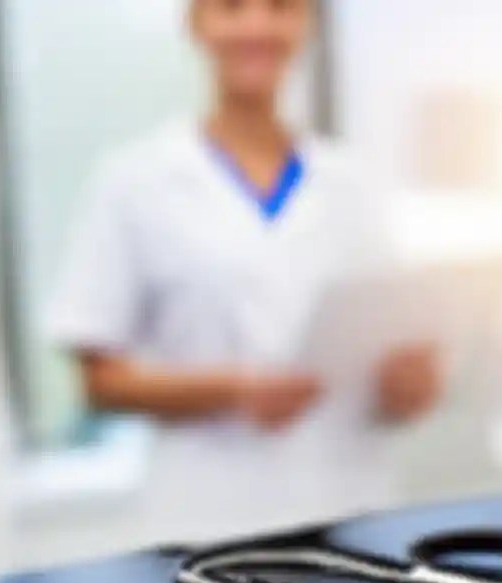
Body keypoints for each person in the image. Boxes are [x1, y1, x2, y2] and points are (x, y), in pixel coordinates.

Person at [47, 0, 440, 543]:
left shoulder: (353, 183)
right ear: (196, 22)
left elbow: (387, 349)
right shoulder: (134, 181)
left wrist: (410, 387)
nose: (257, 25)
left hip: (351, 508)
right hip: (211, 520)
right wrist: (232, 391)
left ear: (305, 24)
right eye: (232, 7)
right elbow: (99, 382)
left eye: (280, 7)